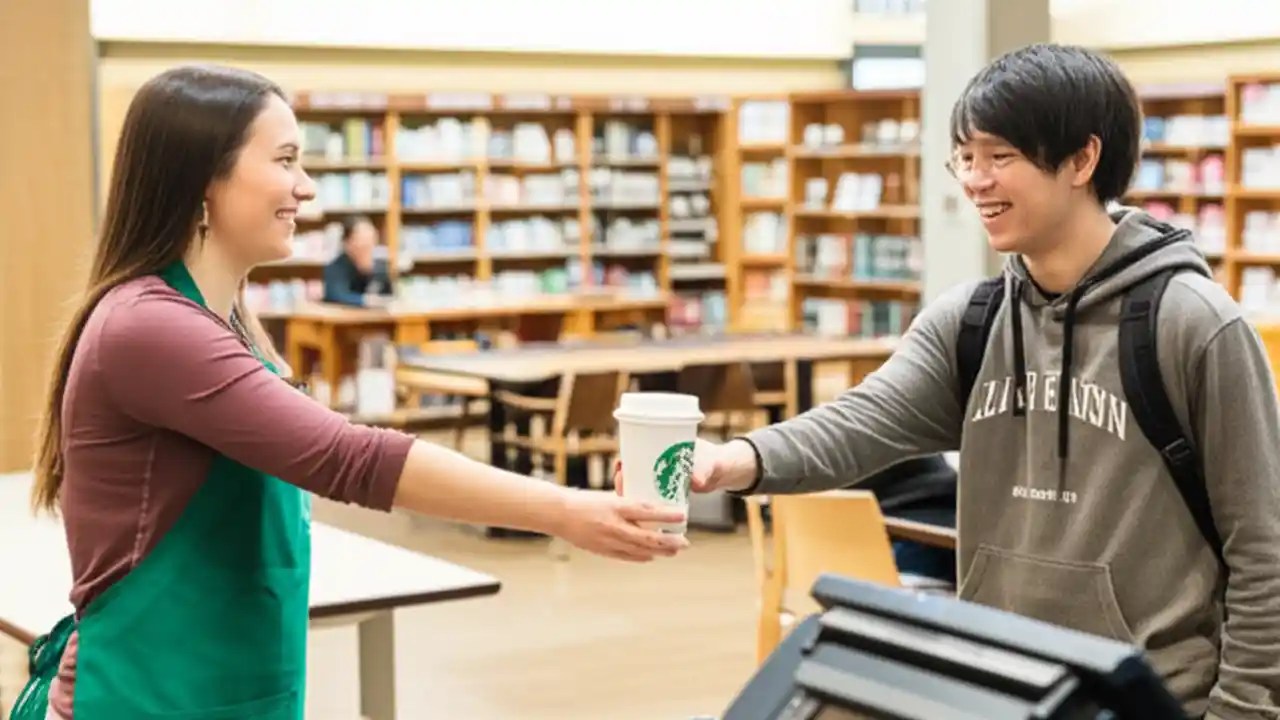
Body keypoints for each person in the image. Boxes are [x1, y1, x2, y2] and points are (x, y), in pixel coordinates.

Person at [625, 45, 1280, 719]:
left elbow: (1265, 548)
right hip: (1000, 692)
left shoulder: (1192, 325)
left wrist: (1244, 712)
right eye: (965, 156)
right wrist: (732, 459)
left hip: (1149, 700)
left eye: (1000, 157)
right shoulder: (972, 322)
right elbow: (861, 421)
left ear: (1083, 160)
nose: (974, 180)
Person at [13, 65, 687, 720]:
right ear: (203, 181)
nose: (305, 187)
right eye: (284, 160)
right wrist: (567, 511)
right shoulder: (151, 327)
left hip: (226, 689)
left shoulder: (227, 322)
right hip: (151, 697)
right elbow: (348, 457)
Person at [322, 214, 392, 307]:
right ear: (347, 243)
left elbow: (389, 297)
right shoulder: (335, 268)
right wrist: (366, 301)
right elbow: (337, 296)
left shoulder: (380, 267)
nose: (368, 245)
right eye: (362, 240)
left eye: (371, 240)